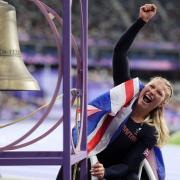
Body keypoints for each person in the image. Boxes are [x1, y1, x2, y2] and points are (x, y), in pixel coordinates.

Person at [57, 3, 173, 180]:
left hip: (115, 171)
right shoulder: (125, 94)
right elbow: (120, 52)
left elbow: (130, 165)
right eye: (152, 86)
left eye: (159, 93)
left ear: (162, 103)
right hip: (91, 153)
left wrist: (106, 172)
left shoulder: (150, 132)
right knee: (72, 163)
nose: (153, 91)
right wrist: (141, 21)